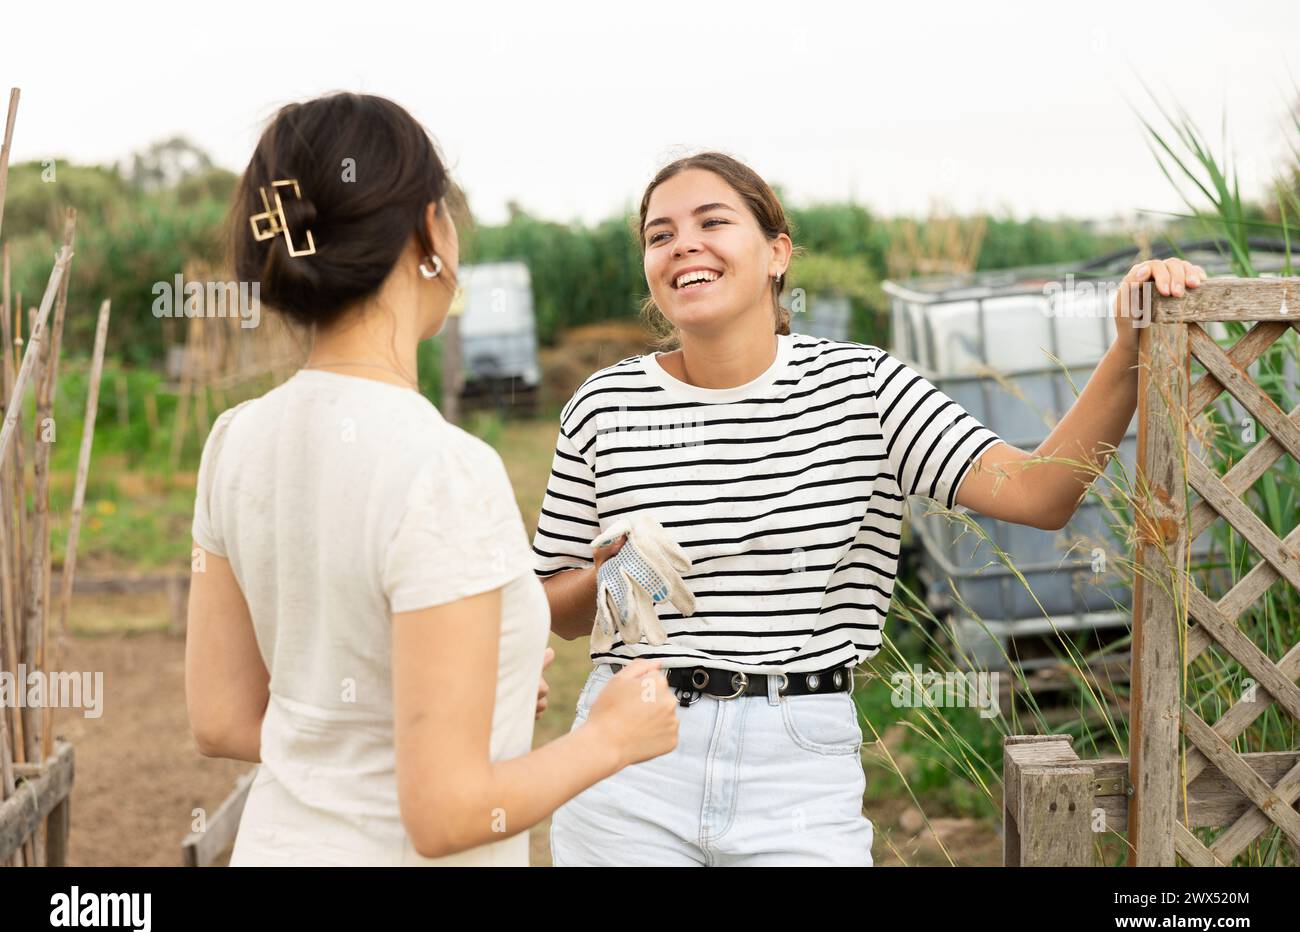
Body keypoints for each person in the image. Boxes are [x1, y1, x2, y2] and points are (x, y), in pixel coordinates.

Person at [532, 150, 1205, 866]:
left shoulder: (864, 388)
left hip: (796, 760)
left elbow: (1040, 492)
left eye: (712, 221)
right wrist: (614, 572)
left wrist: (1129, 348)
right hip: (629, 756)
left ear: (776, 254)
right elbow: (552, 608)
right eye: (659, 234)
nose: (683, 244)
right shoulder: (605, 405)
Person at [184, 92, 677, 866]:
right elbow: (445, 816)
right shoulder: (444, 468)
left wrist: (468, 706)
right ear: (428, 234)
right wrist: (613, 737)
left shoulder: (233, 441)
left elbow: (221, 717)